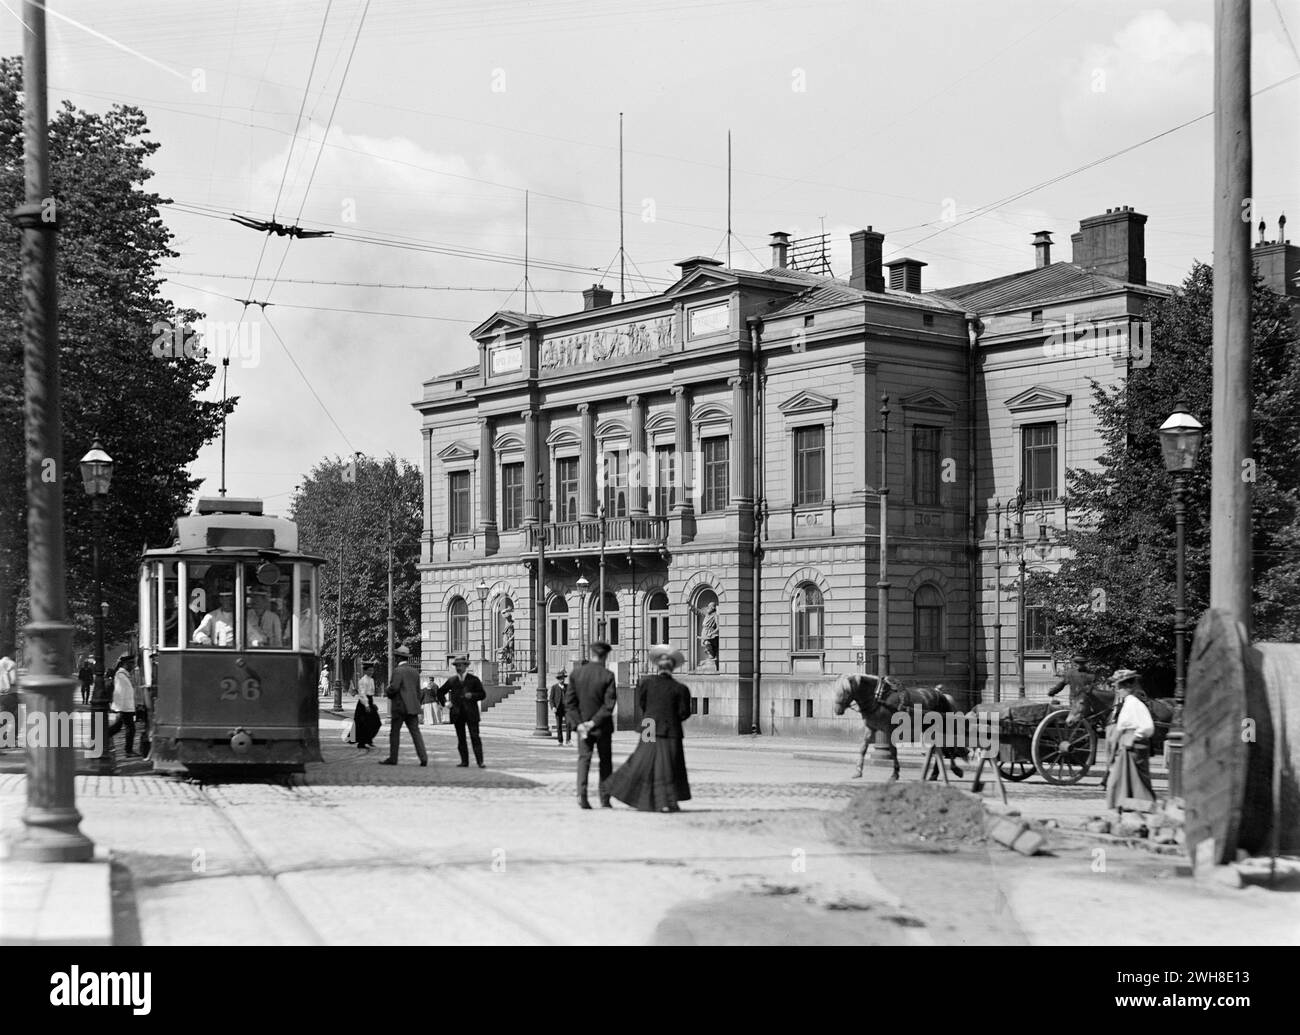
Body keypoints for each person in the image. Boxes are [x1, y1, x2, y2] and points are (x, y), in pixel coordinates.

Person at [605, 644, 692, 813]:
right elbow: (683, 713)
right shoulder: (680, 689)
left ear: (657, 667)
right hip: (669, 728)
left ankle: (615, 787)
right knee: (669, 764)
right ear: (673, 668)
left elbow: (642, 704)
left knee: (641, 759)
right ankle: (667, 799)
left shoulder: (647, 683)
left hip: (649, 725)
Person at [564, 641, 618, 809]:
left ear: (592, 654)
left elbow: (570, 704)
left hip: (582, 729)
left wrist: (579, 724)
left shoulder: (576, 674)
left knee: (584, 760)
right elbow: (609, 704)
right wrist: (593, 722)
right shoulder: (608, 675)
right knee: (605, 762)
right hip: (601, 727)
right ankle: (605, 798)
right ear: (605, 656)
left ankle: (582, 795)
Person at [1104, 668, 1156, 816]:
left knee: (1132, 780)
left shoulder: (1134, 704)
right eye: (1117, 687)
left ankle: (1143, 806)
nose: (1118, 690)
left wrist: (1134, 737)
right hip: (1126, 745)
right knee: (1123, 779)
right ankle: (1128, 806)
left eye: (1121, 687)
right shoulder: (1127, 703)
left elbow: (1147, 726)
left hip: (1133, 745)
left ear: (1129, 687)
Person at [380, 646, 427, 766]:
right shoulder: (415, 672)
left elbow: (394, 687)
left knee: (395, 732)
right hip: (413, 707)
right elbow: (418, 692)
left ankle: (393, 758)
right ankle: (423, 757)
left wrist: (388, 691)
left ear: (398, 658)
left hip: (400, 707)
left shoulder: (398, 671)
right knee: (416, 733)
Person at [438, 656, 486, 768]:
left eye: (461, 665)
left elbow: (483, 694)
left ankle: (480, 762)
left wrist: (472, 695)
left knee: (475, 737)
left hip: (471, 714)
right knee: (461, 738)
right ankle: (464, 761)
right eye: (457, 666)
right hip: (457, 713)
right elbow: (440, 692)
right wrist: (445, 703)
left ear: (466, 666)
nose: (458, 668)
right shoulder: (452, 680)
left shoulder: (474, 680)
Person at [106, 655, 138, 757]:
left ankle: (99, 741)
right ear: (125, 664)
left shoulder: (125, 675)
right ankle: (128, 751)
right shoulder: (121, 676)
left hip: (126, 708)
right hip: (124, 708)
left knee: (117, 728)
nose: (133, 666)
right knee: (130, 729)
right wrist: (119, 710)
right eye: (131, 663)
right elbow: (119, 693)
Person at [353, 663, 381, 750]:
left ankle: (368, 739)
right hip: (363, 703)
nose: (371, 672)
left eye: (372, 670)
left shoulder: (371, 680)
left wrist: (372, 704)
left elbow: (371, 694)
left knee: (376, 722)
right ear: (365, 671)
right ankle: (362, 743)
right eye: (369, 670)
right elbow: (362, 694)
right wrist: (367, 705)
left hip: (370, 701)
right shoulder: (362, 680)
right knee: (363, 723)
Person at [549, 669, 570, 745]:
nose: (562, 680)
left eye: (563, 678)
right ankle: (560, 741)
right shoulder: (554, 687)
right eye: (560, 678)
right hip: (558, 708)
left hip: (567, 709)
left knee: (568, 725)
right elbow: (551, 699)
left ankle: (568, 740)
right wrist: (553, 707)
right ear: (558, 679)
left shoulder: (568, 687)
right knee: (559, 725)